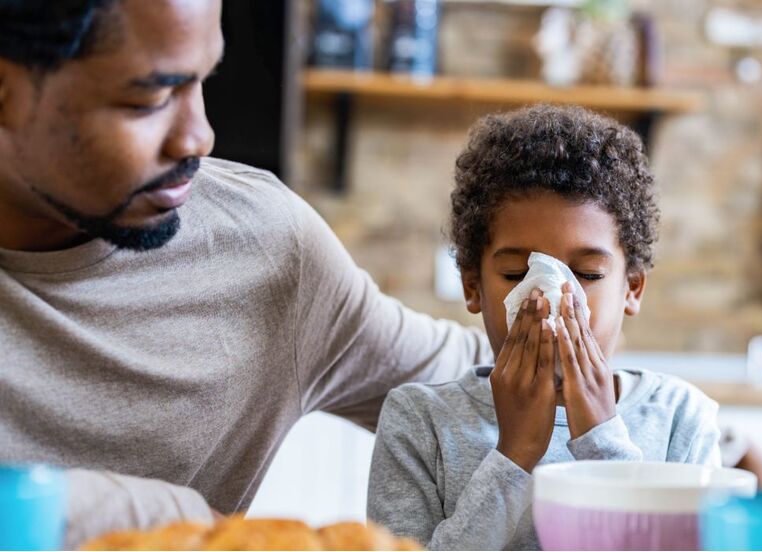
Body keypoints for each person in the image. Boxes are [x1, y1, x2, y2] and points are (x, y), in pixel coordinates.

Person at [0, 1, 488, 546]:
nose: (198, 137)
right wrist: (155, 511)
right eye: (151, 98)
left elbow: (483, 388)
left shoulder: (266, 251)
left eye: (202, 81)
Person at [366, 105, 722, 550]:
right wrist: (513, 456)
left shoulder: (680, 420)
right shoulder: (418, 422)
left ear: (631, 288)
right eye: (516, 274)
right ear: (473, 287)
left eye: (588, 275)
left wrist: (602, 442)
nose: (550, 301)